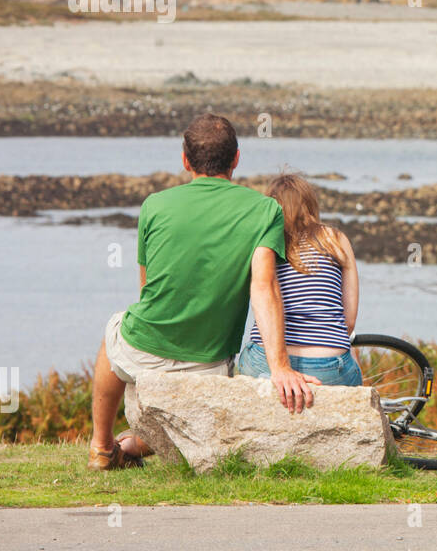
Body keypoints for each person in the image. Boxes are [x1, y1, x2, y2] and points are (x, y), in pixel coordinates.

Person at [88, 114, 319, 470]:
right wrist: (280, 366)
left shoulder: (154, 205)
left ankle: (102, 446)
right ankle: (128, 446)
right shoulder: (264, 210)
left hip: (145, 348)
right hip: (209, 363)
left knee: (114, 331)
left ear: (185, 160)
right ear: (236, 159)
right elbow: (264, 286)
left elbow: (147, 288)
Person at [237, 173, 362, 386]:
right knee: (354, 356)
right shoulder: (336, 239)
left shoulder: (264, 243)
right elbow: (348, 322)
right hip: (329, 366)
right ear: (310, 203)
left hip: (265, 363)